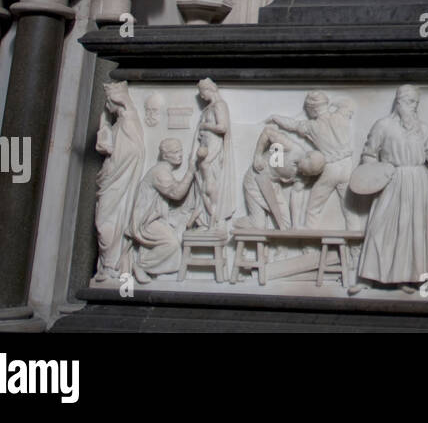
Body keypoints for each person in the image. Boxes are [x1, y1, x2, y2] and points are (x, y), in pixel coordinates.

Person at [352, 85, 428, 291]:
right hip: (391, 180)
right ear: (399, 102)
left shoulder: (423, 128)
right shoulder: (383, 126)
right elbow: (369, 154)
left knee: (412, 232)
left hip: (416, 182)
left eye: (416, 103)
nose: (414, 106)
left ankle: (407, 279)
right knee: (379, 228)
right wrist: (375, 173)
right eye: (410, 101)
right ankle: (367, 278)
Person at [266, 91, 355, 228]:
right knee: (349, 207)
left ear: (312, 109)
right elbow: (348, 103)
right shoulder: (341, 115)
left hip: (332, 167)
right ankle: (354, 247)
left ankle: (310, 247)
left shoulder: (312, 126)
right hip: (348, 166)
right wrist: (331, 102)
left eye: (308, 110)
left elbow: (292, 125)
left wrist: (275, 118)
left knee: (314, 207)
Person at [93, 81, 146, 282]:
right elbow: (110, 149)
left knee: (106, 222)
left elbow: (133, 153)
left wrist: (113, 165)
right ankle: (108, 266)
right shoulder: (119, 124)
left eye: (109, 102)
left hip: (119, 181)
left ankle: (111, 266)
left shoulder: (128, 122)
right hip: (111, 179)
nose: (107, 106)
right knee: (104, 221)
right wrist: (104, 126)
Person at [130, 138, 196, 283]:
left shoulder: (165, 170)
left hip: (158, 218)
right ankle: (141, 265)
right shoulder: (159, 172)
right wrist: (190, 172)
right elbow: (176, 193)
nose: (180, 155)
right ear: (165, 156)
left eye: (180, 151)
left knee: (179, 234)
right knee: (171, 244)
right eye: (176, 152)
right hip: (146, 221)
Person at [235, 124, 325, 231]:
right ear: (307, 156)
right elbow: (268, 132)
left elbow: (296, 196)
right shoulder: (292, 148)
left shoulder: (305, 176)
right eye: (304, 170)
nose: (304, 175)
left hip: (272, 185)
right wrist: (257, 155)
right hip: (256, 177)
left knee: (285, 226)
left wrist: (295, 225)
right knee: (258, 225)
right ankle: (234, 222)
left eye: (307, 174)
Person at [192, 78, 237, 231]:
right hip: (205, 146)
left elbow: (222, 127)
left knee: (211, 181)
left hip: (214, 146)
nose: (202, 96)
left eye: (202, 92)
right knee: (203, 181)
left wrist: (205, 125)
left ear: (209, 89)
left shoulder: (219, 105)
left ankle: (216, 219)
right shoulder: (210, 107)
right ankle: (205, 220)